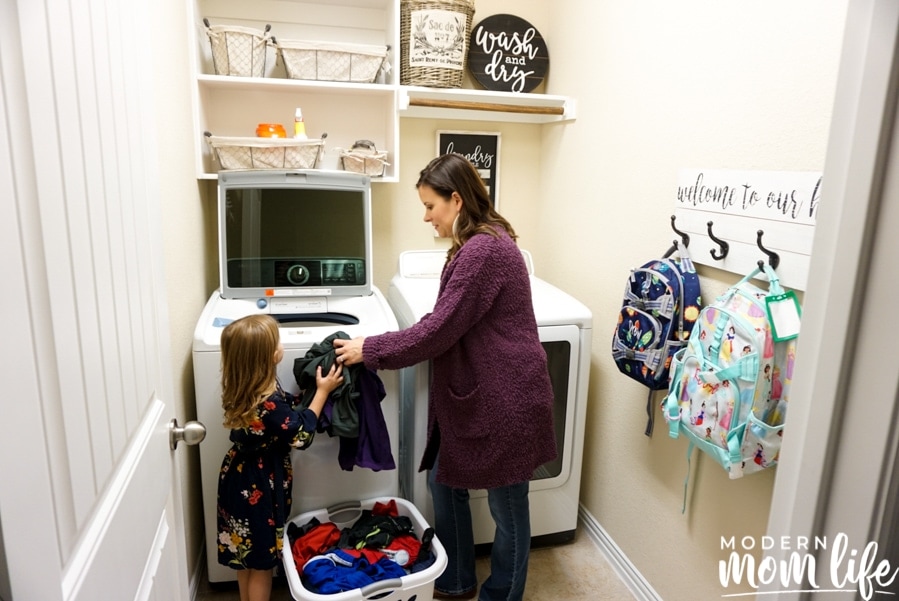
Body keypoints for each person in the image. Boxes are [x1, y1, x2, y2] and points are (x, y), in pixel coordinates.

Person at [333, 153, 557, 601]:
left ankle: (501, 594)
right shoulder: (475, 243)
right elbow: (446, 322)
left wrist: (370, 349)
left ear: (455, 200)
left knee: (507, 507)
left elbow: (438, 329)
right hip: (479, 393)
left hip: (509, 399)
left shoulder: (485, 250)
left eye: (431, 206)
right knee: (443, 479)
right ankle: (455, 581)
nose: (426, 216)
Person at [216, 314, 344, 601]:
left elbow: (283, 411)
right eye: (277, 342)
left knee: (244, 553)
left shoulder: (242, 386)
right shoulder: (269, 401)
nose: (281, 346)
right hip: (258, 486)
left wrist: (301, 399)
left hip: (236, 477)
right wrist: (322, 392)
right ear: (268, 356)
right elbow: (300, 436)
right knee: (262, 564)